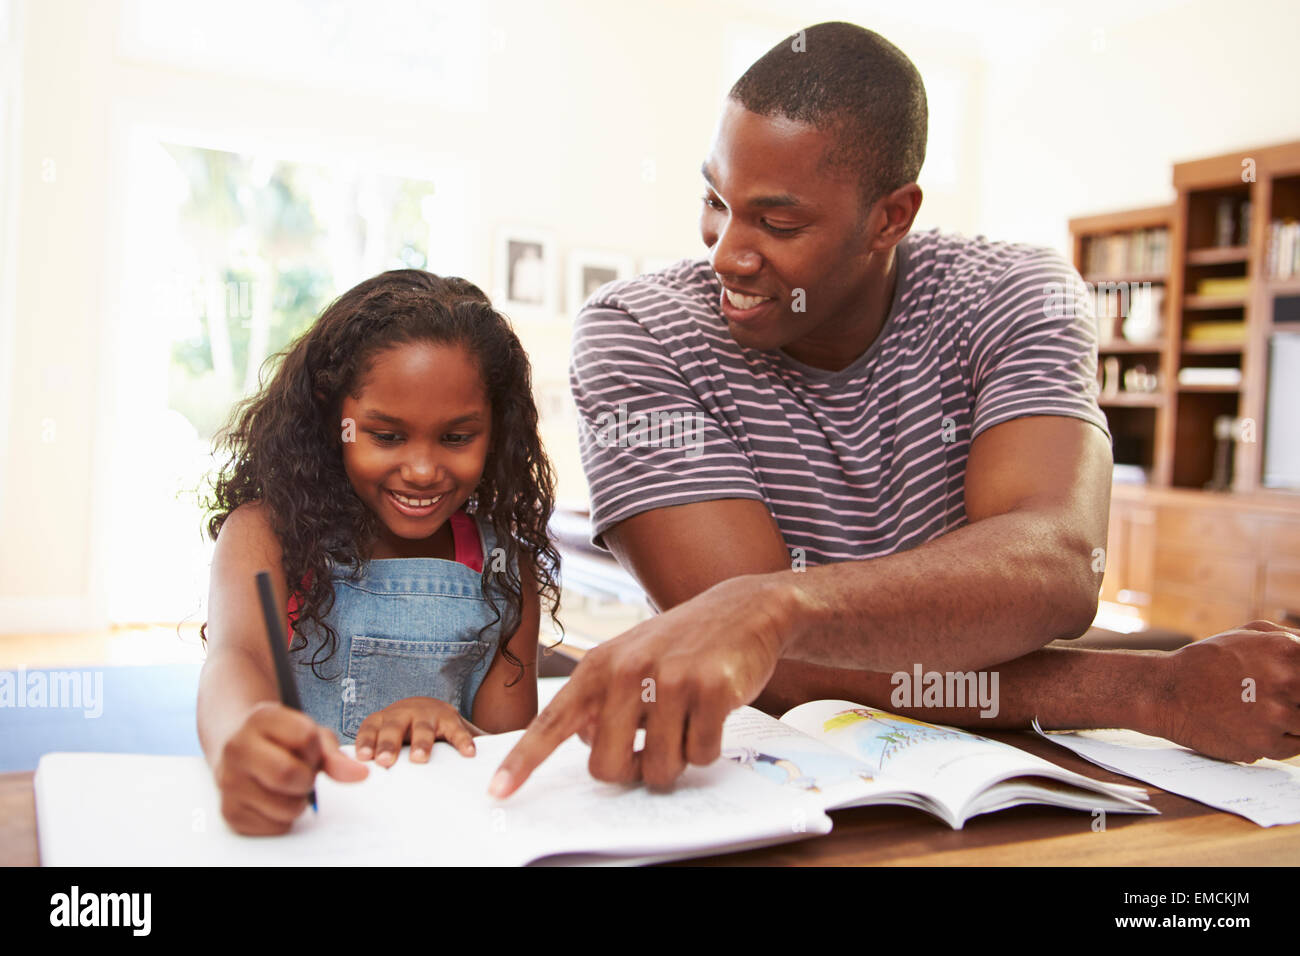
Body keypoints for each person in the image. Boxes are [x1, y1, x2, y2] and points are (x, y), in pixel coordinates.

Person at [488, 22, 1300, 799]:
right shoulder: (637, 330)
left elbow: (1056, 568)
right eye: (714, 199)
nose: (727, 252)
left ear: (891, 217)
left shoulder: (1020, 293)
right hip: (769, 781)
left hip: (1003, 778)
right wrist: (1144, 693)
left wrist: (781, 605)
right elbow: (771, 667)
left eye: (777, 220)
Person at [197, 270, 561, 835]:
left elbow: (508, 757)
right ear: (331, 417)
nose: (421, 470)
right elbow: (234, 662)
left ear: (497, 429)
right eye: (386, 436)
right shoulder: (263, 537)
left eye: (457, 437)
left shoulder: (505, 571)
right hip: (302, 835)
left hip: (438, 838)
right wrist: (238, 740)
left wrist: (452, 733)